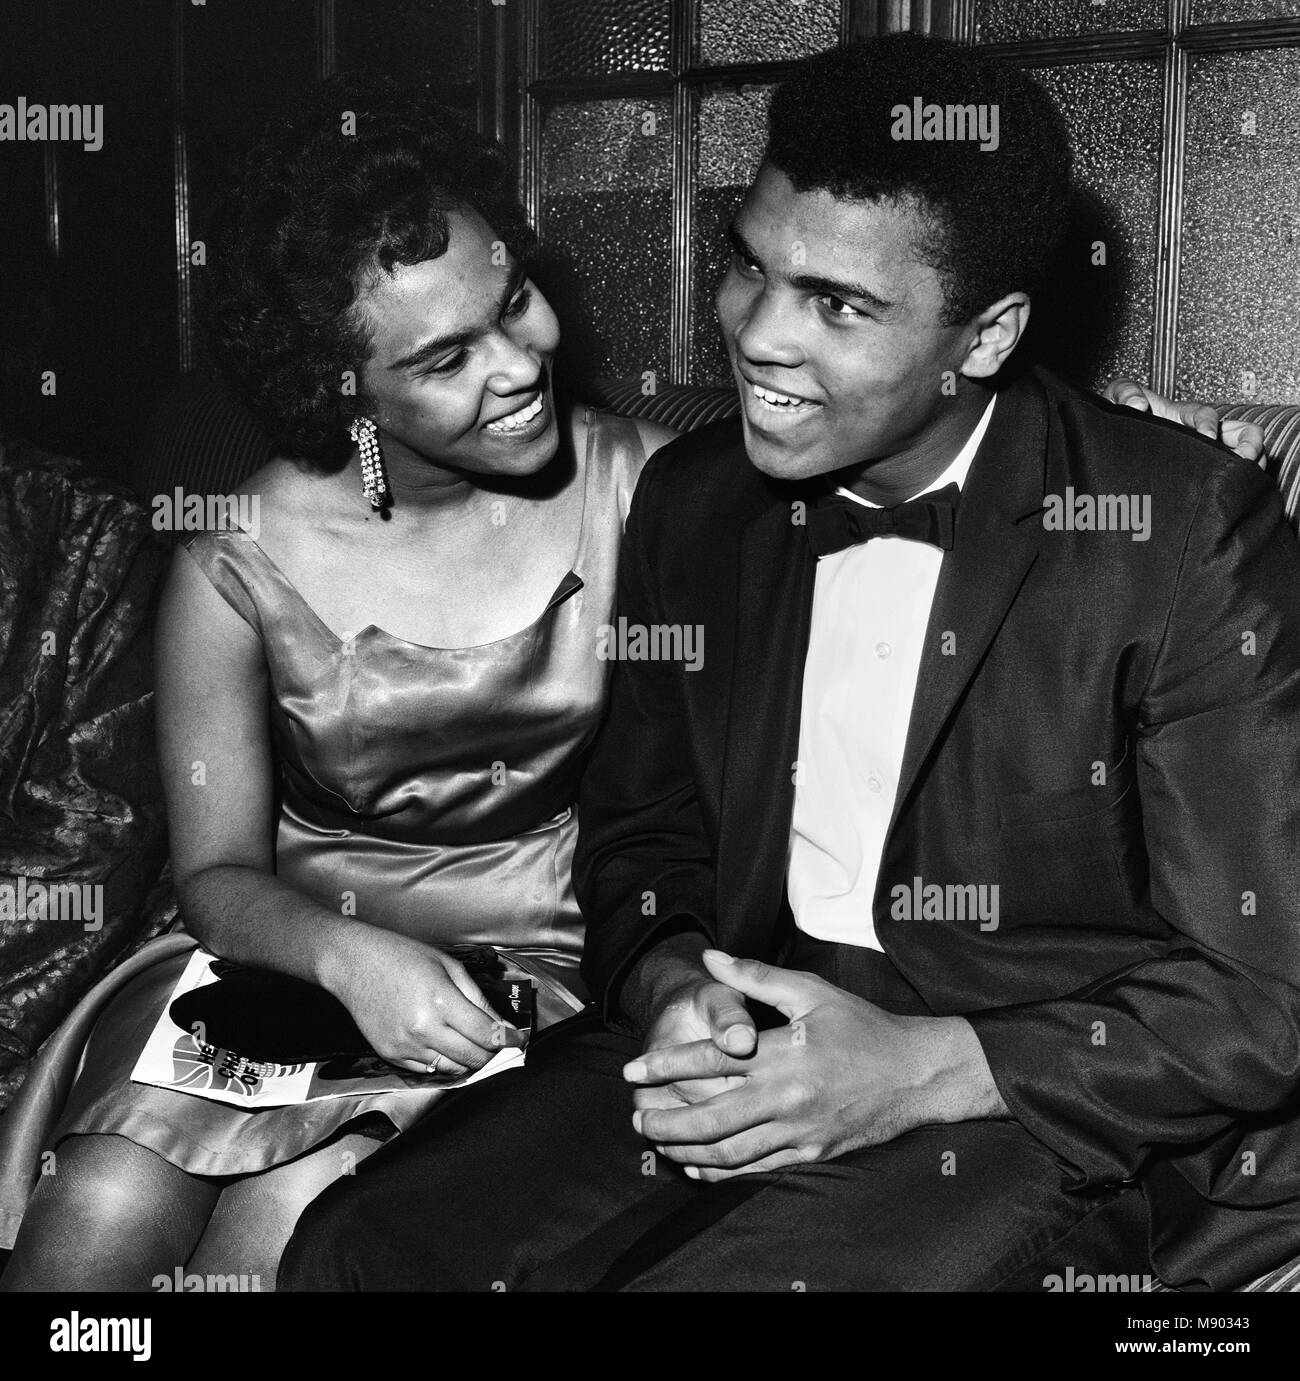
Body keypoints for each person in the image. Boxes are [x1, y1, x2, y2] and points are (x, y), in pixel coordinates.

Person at [281, 34, 1300, 1293]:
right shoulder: (694, 502)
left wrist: (920, 1070)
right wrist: (665, 985)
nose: (757, 335)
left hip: (1031, 1104)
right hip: (733, 1032)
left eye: (838, 304)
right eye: (750, 267)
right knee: (359, 1250)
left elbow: (1261, 995)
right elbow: (641, 841)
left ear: (982, 339)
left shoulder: (1186, 531)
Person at [0, 75, 673, 1291]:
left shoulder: (651, 489)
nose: (524, 362)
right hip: (279, 952)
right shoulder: (233, 554)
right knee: (97, 1205)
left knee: (290, 1217)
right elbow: (214, 874)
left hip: (531, 963)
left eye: (514, 300)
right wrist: (349, 958)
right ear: (340, 388)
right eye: (445, 358)